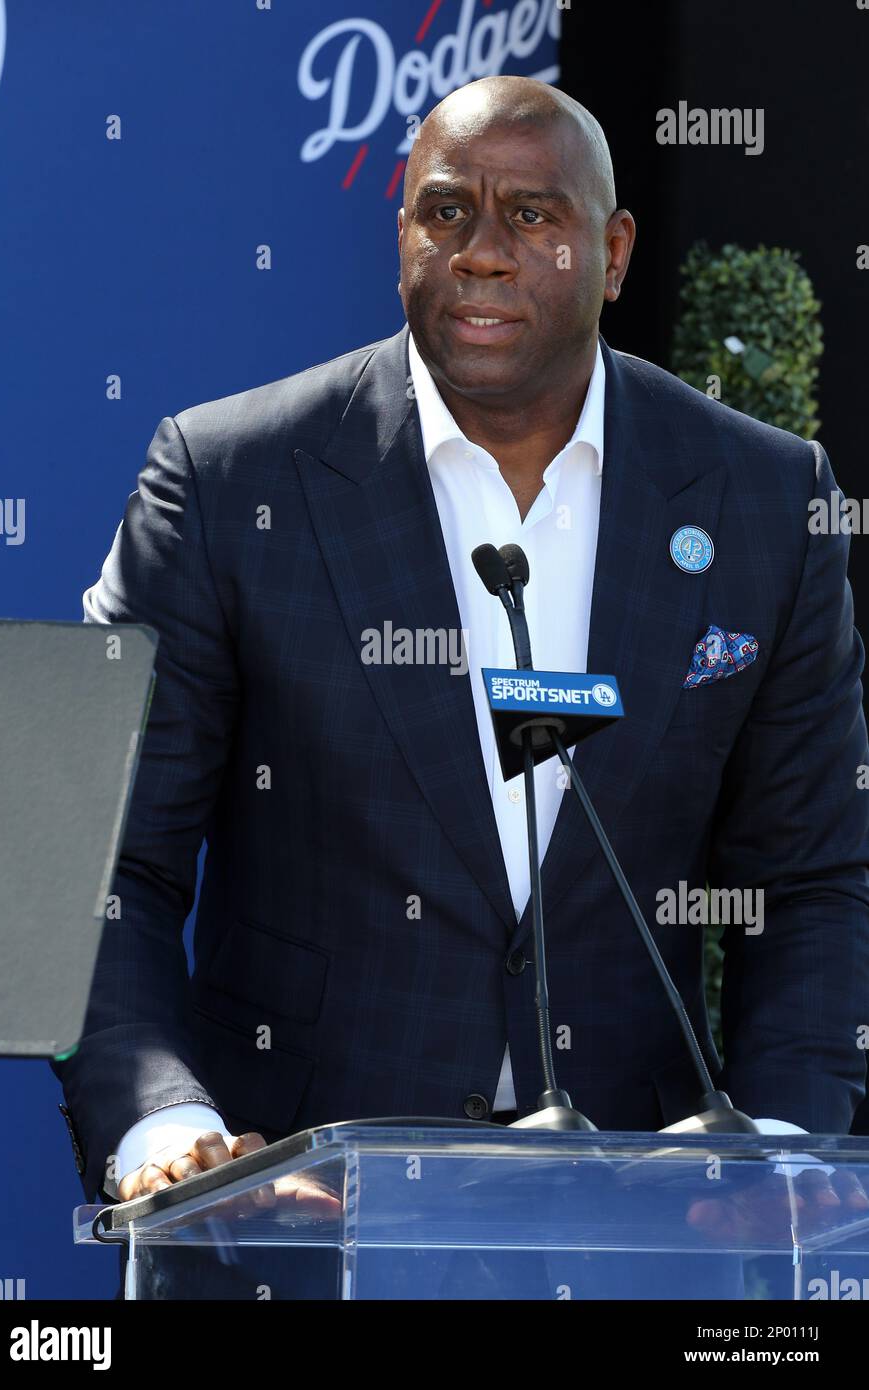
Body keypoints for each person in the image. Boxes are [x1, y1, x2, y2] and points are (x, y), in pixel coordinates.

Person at [53, 76, 869, 1297]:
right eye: (446, 213)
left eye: (536, 217)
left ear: (613, 253)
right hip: (286, 1225)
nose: (484, 254)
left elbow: (814, 879)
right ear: (400, 238)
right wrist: (172, 1135)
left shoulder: (760, 501)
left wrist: (784, 1158)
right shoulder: (229, 484)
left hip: (632, 1242)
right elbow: (103, 867)